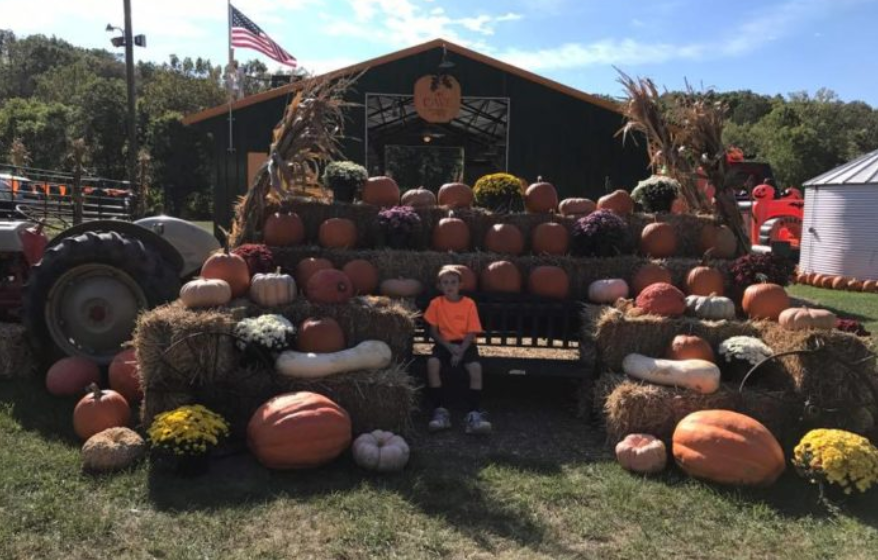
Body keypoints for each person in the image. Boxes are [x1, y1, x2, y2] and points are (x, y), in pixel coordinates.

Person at [423, 266, 492, 435]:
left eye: (453, 282)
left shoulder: (469, 304)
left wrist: (460, 351)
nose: (449, 285)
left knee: (475, 368)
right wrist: (449, 347)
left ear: (460, 284)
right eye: (445, 282)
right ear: (439, 286)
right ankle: (440, 411)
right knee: (432, 363)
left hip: (465, 344)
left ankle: (474, 414)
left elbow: (472, 331)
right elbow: (433, 331)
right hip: (444, 344)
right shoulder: (436, 304)